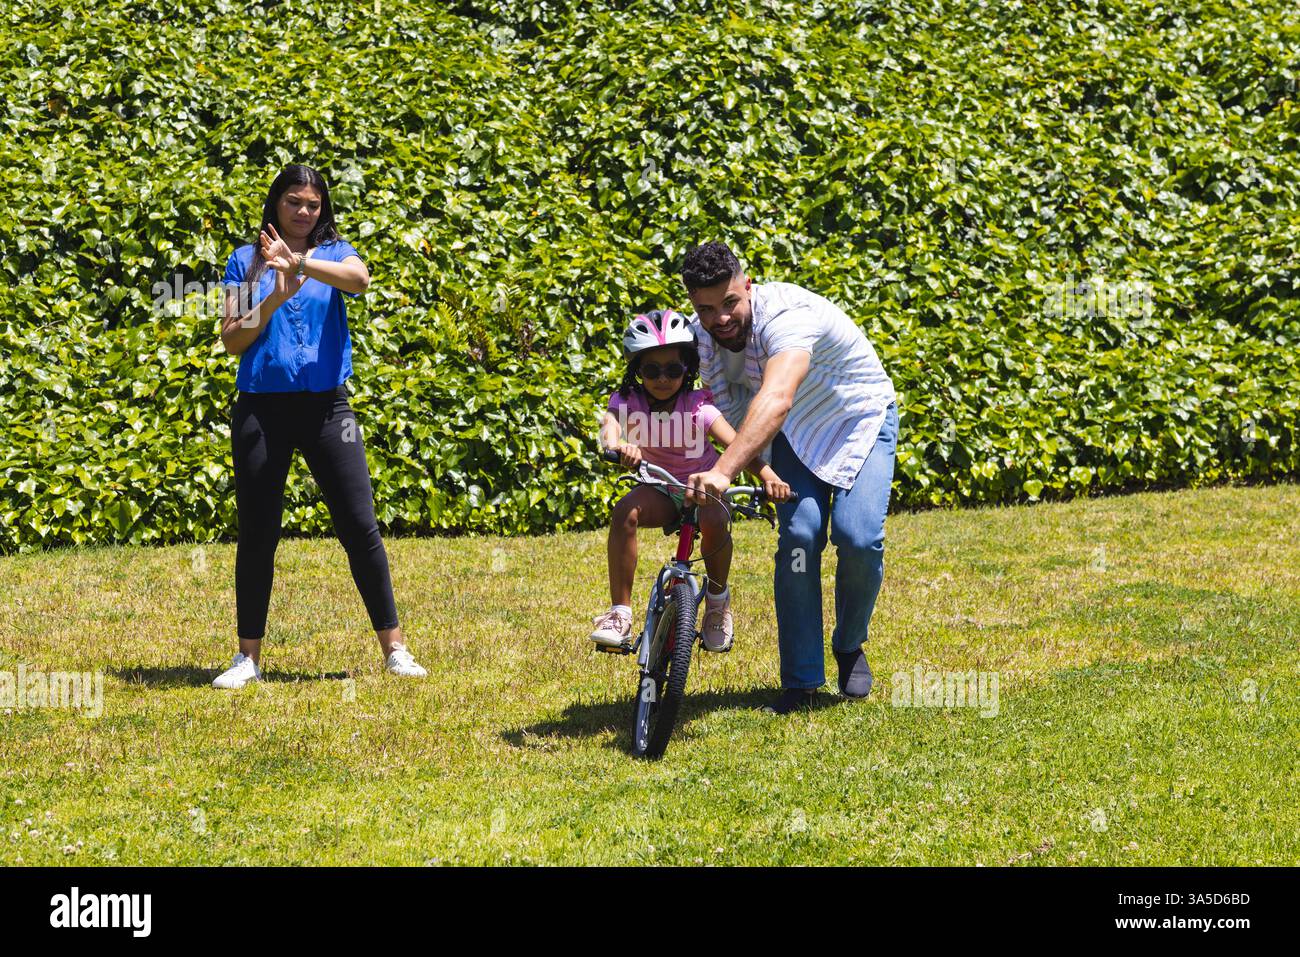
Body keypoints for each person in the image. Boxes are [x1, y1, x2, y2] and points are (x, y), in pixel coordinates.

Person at [213, 164, 427, 689]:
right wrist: (277, 293)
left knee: (360, 525)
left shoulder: (333, 254)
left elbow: (360, 279)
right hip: (262, 410)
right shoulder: (245, 261)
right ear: (276, 203)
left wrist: (301, 263)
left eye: (312, 204)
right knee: (259, 532)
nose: (304, 211)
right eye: (294, 201)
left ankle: (395, 648)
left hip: (329, 410)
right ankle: (248, 658)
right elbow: (232, 340)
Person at [680, 242, 899, 714]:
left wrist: (722, 470)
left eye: (730, 303)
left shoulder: (788, 316)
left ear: (748, 286)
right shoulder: (702, 339)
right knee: (799, 537)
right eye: (706, 309)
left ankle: (849, 644)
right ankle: (801, 679)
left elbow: (776, 396)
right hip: (794, 434)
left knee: (858, 538)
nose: (719, 319)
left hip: (857, 418)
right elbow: (719, 408)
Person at [592, 309, 790, 652]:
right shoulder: (627, 401)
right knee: (625, 511)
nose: (663, 378)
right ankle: (619, 613)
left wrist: (769, 476)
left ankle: (716, 603)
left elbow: (737, 446)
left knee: (714, 518)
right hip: (660, 486)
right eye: (651, 369)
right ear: (636, 370)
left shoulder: (699, 406)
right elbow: (609, 431)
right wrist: (619, 445)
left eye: (673, 368)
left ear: (688, 368)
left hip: (703, 488)